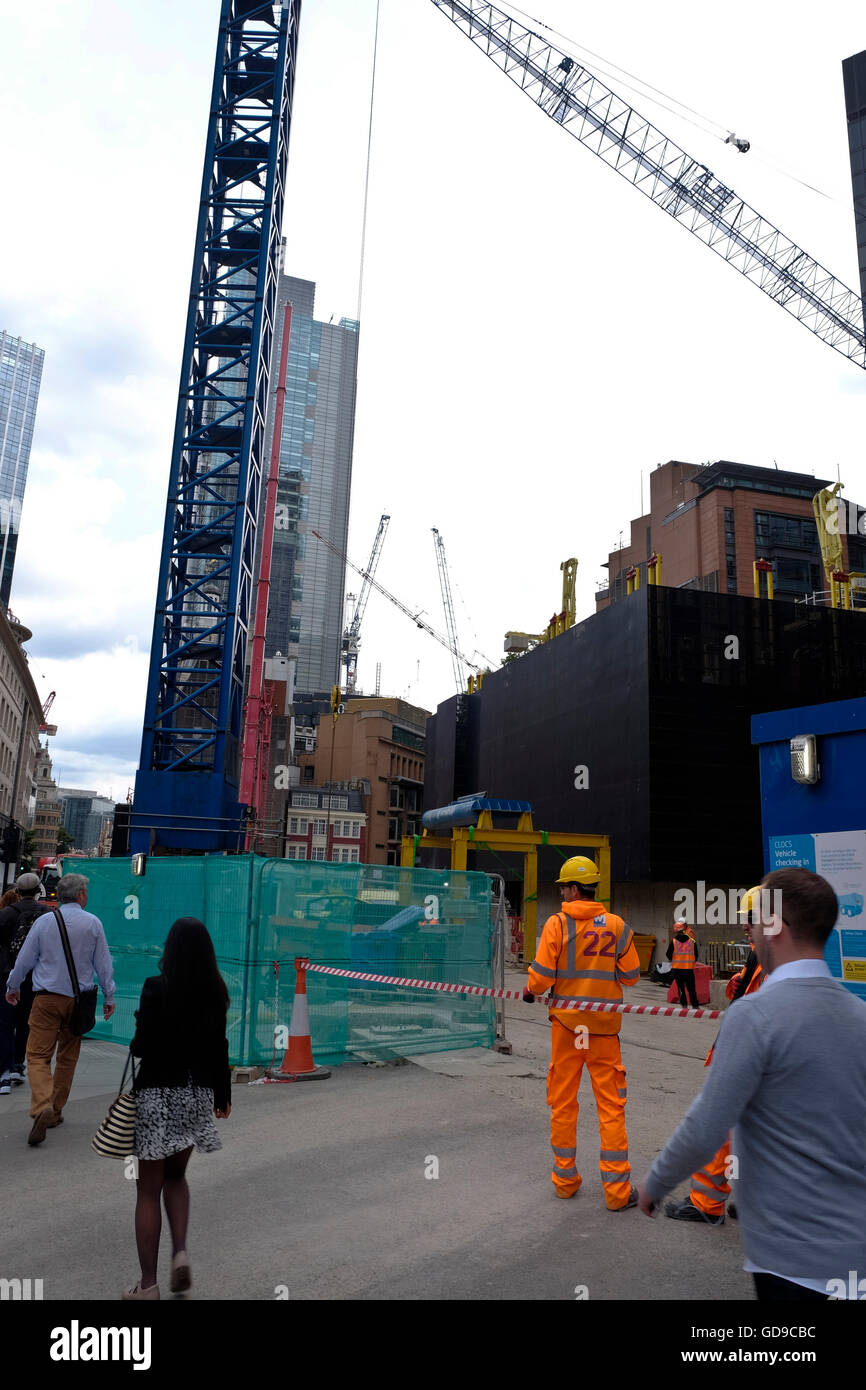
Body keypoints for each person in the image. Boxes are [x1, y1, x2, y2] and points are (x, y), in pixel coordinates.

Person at [638, 868, 866, 1300]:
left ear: (776, 926)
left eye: (757, 919)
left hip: (794, 1262)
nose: (751, 930)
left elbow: (707, 1125)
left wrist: (655, 1182)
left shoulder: (756, 1016)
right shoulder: (859, 1016)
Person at [124, 917, 232, 1301]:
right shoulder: (216, 992)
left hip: (156, 1092)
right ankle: (181, 1252)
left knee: (147, 1190)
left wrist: (143, 1023)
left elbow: (142, 1046)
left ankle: (148, 1284)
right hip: (198, 1092)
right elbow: (220, 1046)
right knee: (177, 1177)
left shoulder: (155, 987)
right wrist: (223, 1094)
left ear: (169, 951)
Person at [525, 855, 641, 1209]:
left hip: (565, 1027)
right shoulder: (618, 925)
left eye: (563, 889)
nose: (562, 895)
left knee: (562, 1105)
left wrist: (532, 988)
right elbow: (632, 975)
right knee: (611, 1109)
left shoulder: (557, 925)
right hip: (604, 1031)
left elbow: (542, 978)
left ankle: (565, 1181)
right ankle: (618, 1194)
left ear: (575, 889)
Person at [665, 886, 764, 1226]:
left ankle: (709, 1204)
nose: (743, 927)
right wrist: (744, 979)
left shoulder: (768, 957)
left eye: (749, 920)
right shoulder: (769, 954)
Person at [4, 872, 115, 1145]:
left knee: (38, 1055)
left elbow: (25, 959)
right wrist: (109, 995)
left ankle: (41, 1104)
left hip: (46, 999)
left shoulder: (44, 922)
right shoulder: (93, 924)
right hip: (79, 1001)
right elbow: (103, 964)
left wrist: (13, 986)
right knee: (67, 1056)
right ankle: (54, 1111)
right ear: (80, 895)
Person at [0, 874, 52, 1095]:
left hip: (7, 976)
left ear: (18, 891)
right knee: (26, 1023)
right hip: (36, 977)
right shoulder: (48, 915)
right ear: (39, 890)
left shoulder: (5, 914)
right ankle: (19, 1065)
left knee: (5, 1024)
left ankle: (4, 1069)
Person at [666, 920, 699, 1008]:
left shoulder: (673, 941)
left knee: (681, 988)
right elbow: (696, 955)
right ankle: (695, 1005)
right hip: (689, 969)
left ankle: (684, 1005)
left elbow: (668, 954)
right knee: (691, 988)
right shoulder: (692, 941)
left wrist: (674, 960)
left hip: (678, 969)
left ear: (676, 930)